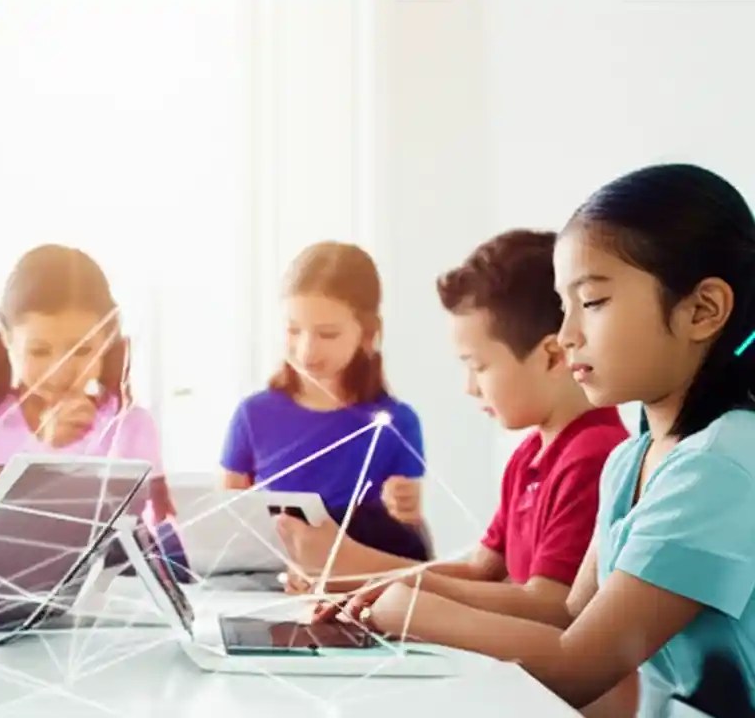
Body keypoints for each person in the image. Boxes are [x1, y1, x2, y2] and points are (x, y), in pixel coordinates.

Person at [323, 164, 755, 715]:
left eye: (592, 302)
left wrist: (412, 611)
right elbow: (571, 613)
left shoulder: (721, 465)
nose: (568, 335)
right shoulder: (632, 459)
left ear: (702, 310)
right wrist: (403, 593)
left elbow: (580, 667)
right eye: (564, 307)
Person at [279, 230, 626, 628]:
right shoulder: (531, 455)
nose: (469, 387)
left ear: (552, 356)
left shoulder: (595, 457)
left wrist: (363, 571)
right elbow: (481, 571)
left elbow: (552, 604)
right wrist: (356, 575)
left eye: (478, 366)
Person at [0, 244, 173, 526]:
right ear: (8, 340)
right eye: (39, 351)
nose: (60, 372)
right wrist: (43, 455)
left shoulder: (130, 426)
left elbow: (159, 533)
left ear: (107, 340)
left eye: (82, 351)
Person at [220, 241, 429, 563]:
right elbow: (228, 524)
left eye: (328, 334)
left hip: (357, 577)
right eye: (293, 330)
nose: (306, 351)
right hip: (269, 575)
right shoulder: (253, 415)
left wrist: (407, 509)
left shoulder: (397, 422)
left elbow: (407, 537)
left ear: (368, 334)